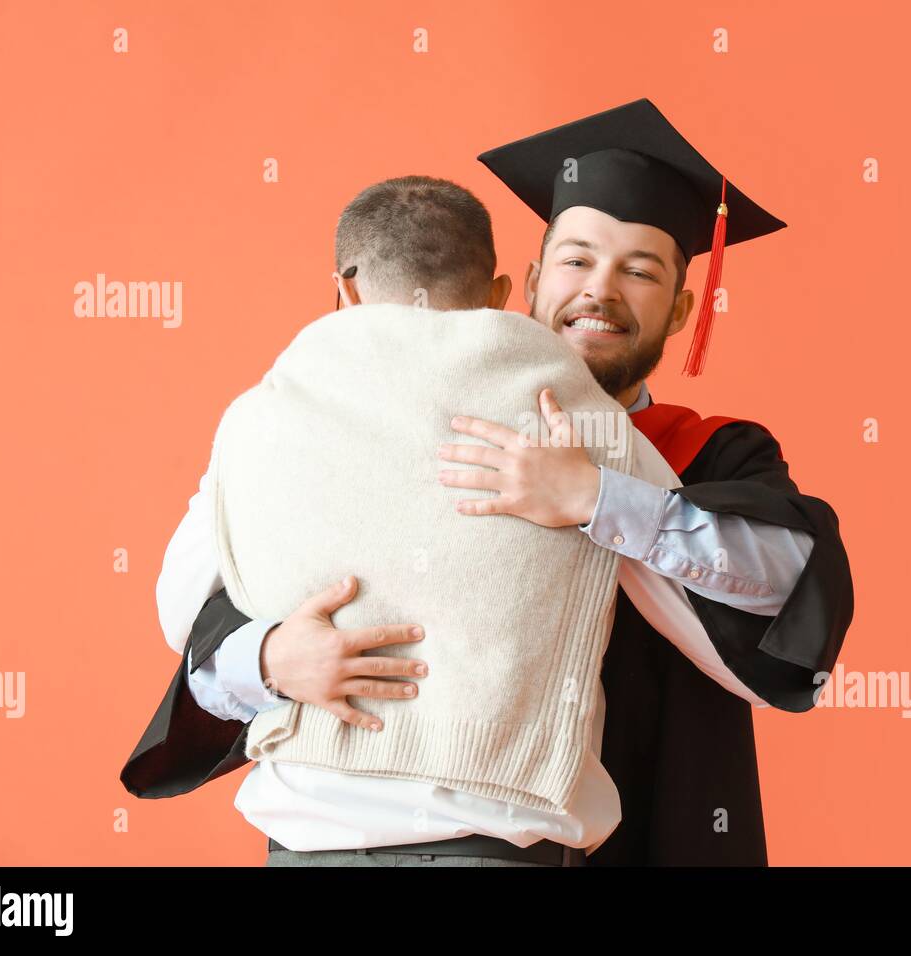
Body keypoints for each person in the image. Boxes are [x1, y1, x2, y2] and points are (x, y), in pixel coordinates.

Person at [122, 100, 854, 866]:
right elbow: (211, 617)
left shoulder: (706, 457)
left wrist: (597, 500)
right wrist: (270, 660)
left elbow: (791, 613)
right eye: (576, 260)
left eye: (638, 272)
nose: (598, 292)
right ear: (524, 285)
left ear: (678, 311)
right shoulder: (338, 423)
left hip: (639, 836)